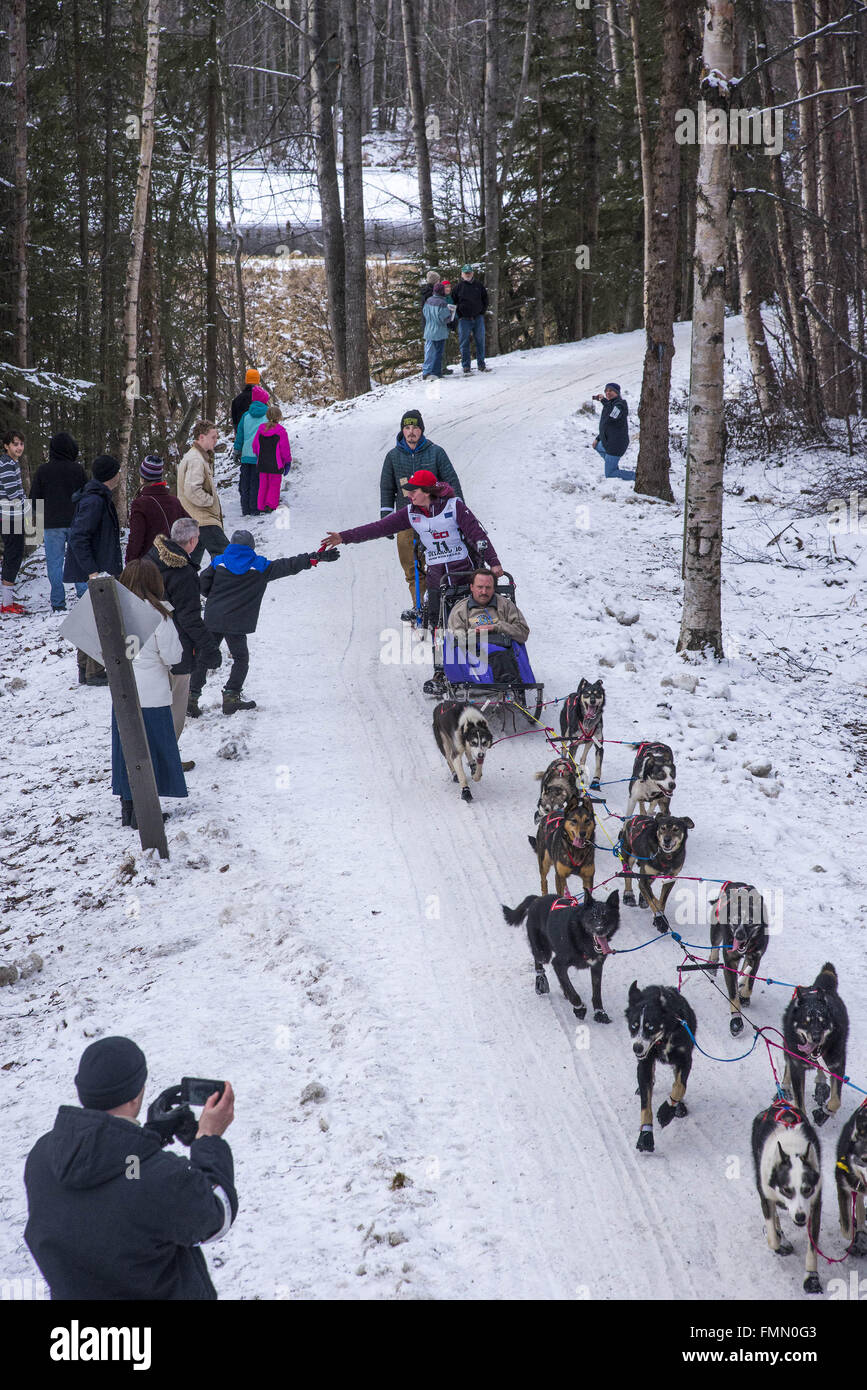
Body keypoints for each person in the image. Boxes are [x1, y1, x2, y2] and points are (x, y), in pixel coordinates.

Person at [24, 1035, 237, 1300]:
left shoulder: (43, 1155)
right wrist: (209, 1139)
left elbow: (115, 1188)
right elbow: (216, 1216)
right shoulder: (161, 1180)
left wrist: (150, 1137)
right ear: (138, 1095)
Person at [322, 471, 504, 696]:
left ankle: (487, 666)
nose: (408, 495)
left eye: (414, 491)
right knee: (440, 628)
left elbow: (478, 536)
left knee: (475, 620)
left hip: (465, 575)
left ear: (427, 491)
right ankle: (441, 672)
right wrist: (344, 536)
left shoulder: (454, 506)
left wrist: (493, 563)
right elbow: (379, 528)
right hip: (438, 579)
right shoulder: (411, 513)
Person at [192, 528, 339, 715]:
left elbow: (202, 585)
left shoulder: (218, 562)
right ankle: (231, 697)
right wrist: (314, 558)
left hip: (214, 617)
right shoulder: (260, 567)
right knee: (240, 658)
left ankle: (191, 698)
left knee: (204, 658)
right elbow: (289, 565)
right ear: (251, 547)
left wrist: (214, 598)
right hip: (237, 623)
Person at [112, 557, 187, 825]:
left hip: (122, 694)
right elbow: (173, 656)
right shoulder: (159, 617)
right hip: (152, 696)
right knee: (150, 752)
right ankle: (145, 813)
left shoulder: (113, 613)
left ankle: (128, 808)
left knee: (125, 751)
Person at [379, 408, 464, 618]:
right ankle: (420, 607)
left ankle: (443, 605)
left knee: (438, 561)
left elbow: (452, 481)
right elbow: (387, 488)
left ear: (422, 430)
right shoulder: (392, 457)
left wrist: (460, 513)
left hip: (435, 517)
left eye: (415, 427)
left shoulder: (436, 452)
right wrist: (387, 518)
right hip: (405, 519)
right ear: (402, 431)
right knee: (411, 566)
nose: (411, 432)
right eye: (407, 428)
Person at [147, 517, 222, 739]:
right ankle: (167, 760)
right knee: (176, 704)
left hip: (148, 642)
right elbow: (190, 617)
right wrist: (210, 648)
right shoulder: (184, 572)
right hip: (176, 648)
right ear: (192, 540)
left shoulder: (152, 558)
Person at [64, 454, 124, 686]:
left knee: (92, 616)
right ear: (110, 475)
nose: (120, 475)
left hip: (98, 566)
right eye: (117, 471)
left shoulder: (98, 496)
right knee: (102, 618)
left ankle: (84, 668)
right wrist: (92, 571)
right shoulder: (95, 500)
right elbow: (78, 537)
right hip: (95, 570)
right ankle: (95, 671)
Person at [28, 431, 88, 612]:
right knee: (78, 559)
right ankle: (84, 596)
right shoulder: (77, 469)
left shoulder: (43, 470)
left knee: (54, 563)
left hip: (51, 524)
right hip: (76, 521)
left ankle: (58, 602)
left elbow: (34, 498)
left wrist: (38, 521)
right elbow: (87, 495)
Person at [447, 568, 529, 696]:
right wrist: (475, 634)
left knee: (510, 649)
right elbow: (455, 637)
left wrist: (496, 627)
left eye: (488, 587)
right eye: (480, 587)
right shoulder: (460, 610)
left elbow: (523, 632)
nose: (484, 592)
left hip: (504, 649)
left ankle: (509, 682)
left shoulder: (506, 605)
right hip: (473, 652)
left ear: (494, 588)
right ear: (472, 587)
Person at [176, 421, 229, 567]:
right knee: (226, 557)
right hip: (203, 519)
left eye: (216, 436)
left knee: (190, 563)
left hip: (196, 518)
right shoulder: (195, 459)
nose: (216, 440)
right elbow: (192, 489)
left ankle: (182, 588)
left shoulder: (198, 456)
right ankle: (225, 587)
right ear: (201, 437)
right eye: (213, 436)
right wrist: (210, 502)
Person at [125, 454, 190, 564]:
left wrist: (130, 563)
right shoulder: (174, 501)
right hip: (175, 565)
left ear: (142, 478)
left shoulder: (140, 504)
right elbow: (191, 528)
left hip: (150, 568)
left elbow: (136, 539)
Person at [0, 429, 28, 615]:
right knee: (12, 555)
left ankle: (8, 600)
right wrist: (28, 509)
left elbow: (19, 491)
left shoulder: (12, 462)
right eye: (15, 444)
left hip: (14, 515)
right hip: (9, 516)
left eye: (21, 444)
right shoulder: (5, 464)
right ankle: (6, 603)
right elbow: (12, 493)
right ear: (6, 446)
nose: (19, 447)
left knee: (16, 554)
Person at [234, 385, 270, 516]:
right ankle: (255, 508)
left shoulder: (245, 416)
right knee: (257, 482)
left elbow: (240, 435)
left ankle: (245, 508)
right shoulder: (268, 415)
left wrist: (237, 450)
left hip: (246, 455)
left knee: (245, 482)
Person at [252, 404, 291, 513]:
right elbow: (285, 449)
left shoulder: (261, 429)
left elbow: (255, 445)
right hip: (276, 463)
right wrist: (287, 461)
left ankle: (261, 505)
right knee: (274, 485)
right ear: (279, 417)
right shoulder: (281, 431)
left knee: (263, 484)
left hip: (262, 462)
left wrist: (258, 455)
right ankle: (271, 505)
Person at [592, 382, 635, 481]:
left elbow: (613, 416)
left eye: (610, 391)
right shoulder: (610, 404)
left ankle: (637, 477)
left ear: (617, 392)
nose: (608, 393)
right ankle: (612, 465)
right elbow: (606, 426)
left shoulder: (620, 404)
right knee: (596, 446)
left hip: (616, 445)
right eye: (606, 391)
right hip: (608, 442)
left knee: (610, 474)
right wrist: (597, 438)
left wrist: (603, 401)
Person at [454, 265, 490, 375]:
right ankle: (466, 366)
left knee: (480, 341)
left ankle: (481, 364)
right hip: (464, 320)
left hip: (478, 318)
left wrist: (481, 311)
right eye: (465, 273)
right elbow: (453, 302)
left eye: (469, 272)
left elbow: (485, 299)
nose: (467, 274)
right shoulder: (458, 287)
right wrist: (459, 314)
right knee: (464, 343)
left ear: (472, 273)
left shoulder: (479, 285)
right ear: (462, 274)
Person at [422, 282, 453, 380]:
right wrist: (451, 314)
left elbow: (424, 313)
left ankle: (426, 371)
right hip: (439, 331)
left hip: (428, 330)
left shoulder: (428, 300)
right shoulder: (442, 303)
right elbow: (444, 318)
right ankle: (436, 372)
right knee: (438, 352)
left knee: (429, 352)